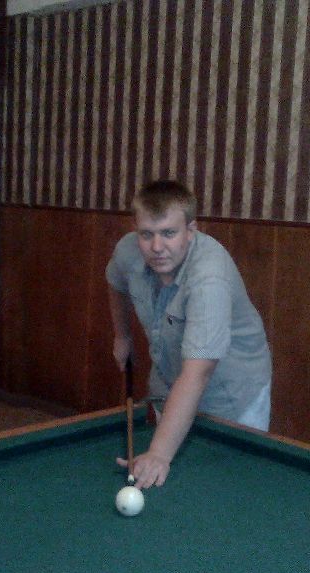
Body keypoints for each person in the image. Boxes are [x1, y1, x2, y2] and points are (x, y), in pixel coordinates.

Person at [106, 180, 272, 489]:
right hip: (169, 383)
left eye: (169, 233)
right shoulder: (128, 251)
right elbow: (116, 282)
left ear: (190, 230)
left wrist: (158, 454)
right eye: (147, 234)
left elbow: (198, 374)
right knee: (175, 484)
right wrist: (122, 336)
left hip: (232, 393)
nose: (157, 247)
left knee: (228, 489)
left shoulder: (209, 278)